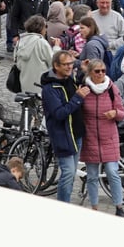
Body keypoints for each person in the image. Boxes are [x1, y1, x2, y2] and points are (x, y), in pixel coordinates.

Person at [78, 58, 124, 216]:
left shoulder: (111, 88)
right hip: (90, 138)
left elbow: (122, 113)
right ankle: (94, 207)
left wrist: (115, 113)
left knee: (112, 172)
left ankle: (119, 207)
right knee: (92, 175)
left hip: (109, 137)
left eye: (103, 71)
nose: (100, 74)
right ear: (90, 73)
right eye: (97, 71)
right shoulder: (84, 89)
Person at [41, 50, 89, 202]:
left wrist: (83, 69)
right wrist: (78, 98)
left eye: (71, 64)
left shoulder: (70, 79)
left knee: (71, 172)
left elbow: (81, 80)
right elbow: (59, 113)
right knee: (68, 173)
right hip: (63, 136)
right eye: (66, 64)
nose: (70, 67)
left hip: (76, 134)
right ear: (56, 66)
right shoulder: (50, 89)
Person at [14, 15, 54, 93]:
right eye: (45, 26)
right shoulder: (42, 42)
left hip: (24, 81)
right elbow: (52, 63)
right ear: (41, 28)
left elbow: (16, 61)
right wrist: (56, 48)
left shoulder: (20, 41)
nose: (46, 29)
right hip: (40, 83)